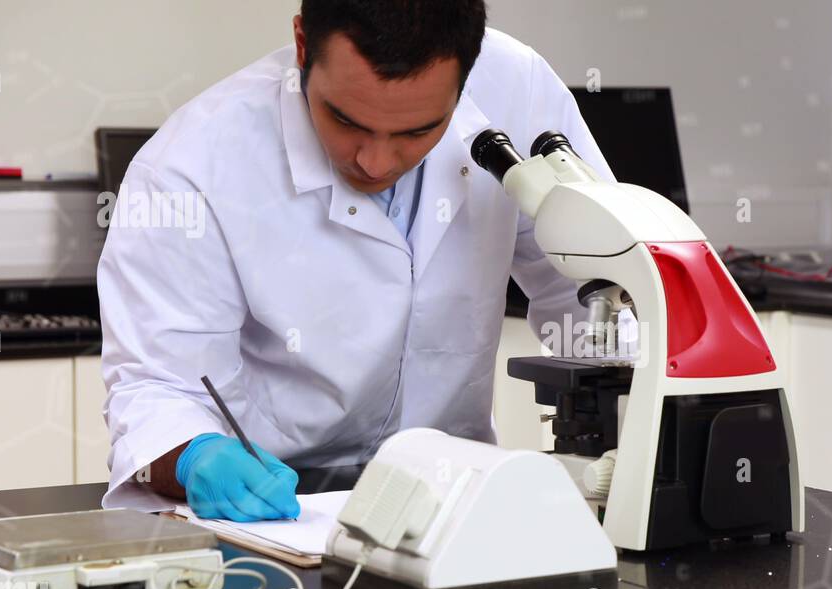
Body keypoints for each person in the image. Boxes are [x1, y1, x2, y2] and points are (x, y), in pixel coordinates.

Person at [97, 0, 613, 520]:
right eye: (345, 120)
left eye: (417, 130)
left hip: (456, 503)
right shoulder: (190, 167)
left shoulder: (515, 87)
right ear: (303, 45)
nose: (375, 162)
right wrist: (195, 455)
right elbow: (157, 389)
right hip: (274, 509)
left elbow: (595, 291)